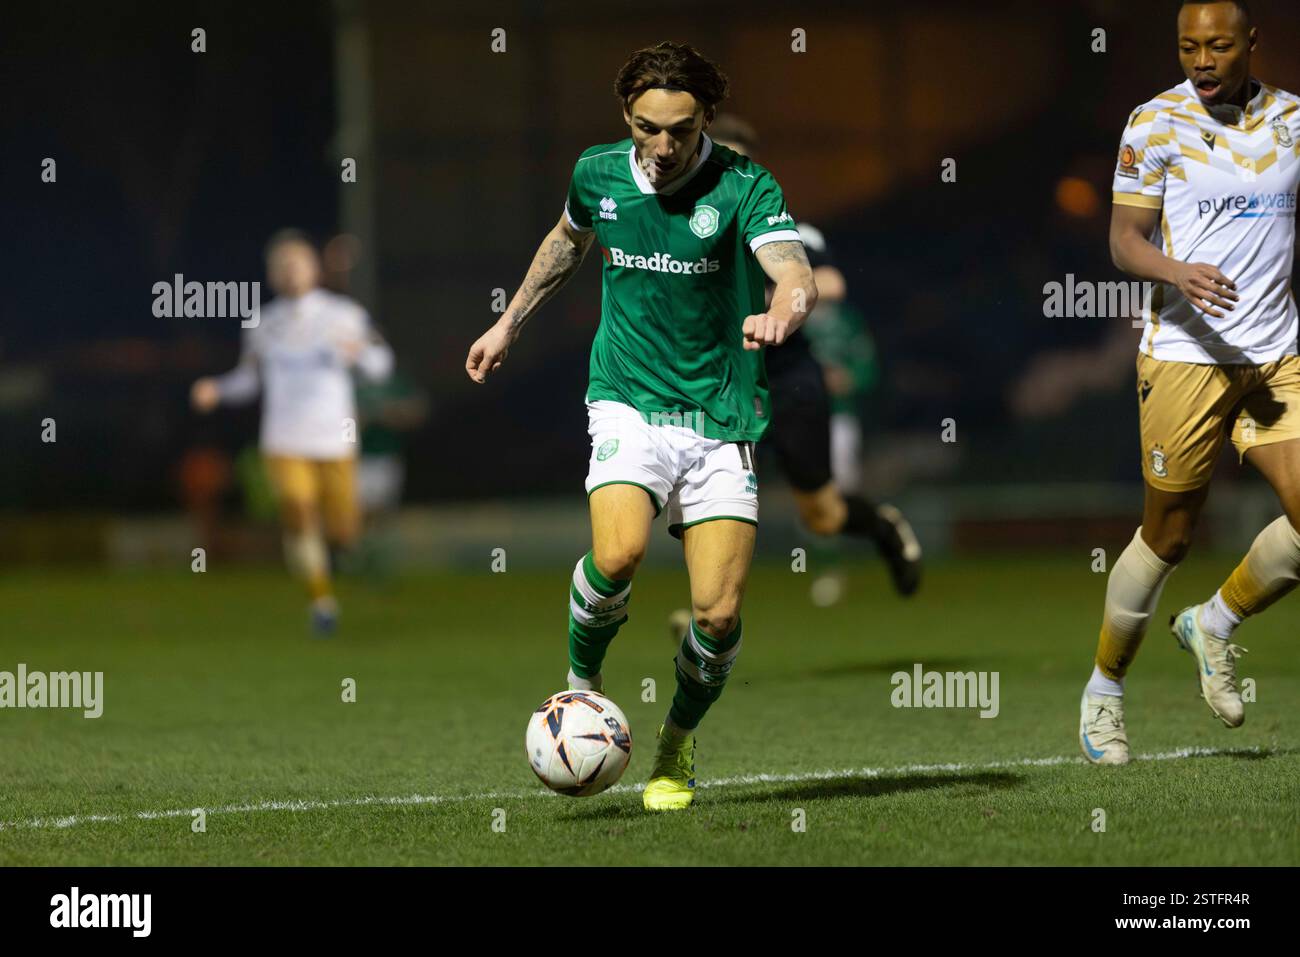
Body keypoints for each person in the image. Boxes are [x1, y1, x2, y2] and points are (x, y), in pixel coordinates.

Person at [465, 41, 817, 810]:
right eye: (648, 128)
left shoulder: (743, 183)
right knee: (618, 553)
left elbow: (794, 268)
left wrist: (782, 309)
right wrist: (509, 324)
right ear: (627, 116)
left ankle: (676, 742)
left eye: (681, 131)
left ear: (706, 121)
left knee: (718, 615)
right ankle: (581, 689)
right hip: (627, 395)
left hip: (721, 413)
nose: (663, 147)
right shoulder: (597, 171)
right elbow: (567, 238)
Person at [1080, 0, 1300, 765]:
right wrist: (1178, 272)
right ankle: (1105, 690)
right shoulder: (1154, 122)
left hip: (1278, 354)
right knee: (1169, 534)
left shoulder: (1293, 120)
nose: (1201, 60)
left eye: (1217, 46)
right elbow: (1123, 241)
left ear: (1250, 43)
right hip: (1185, 353)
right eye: (1187, 47)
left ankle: (1216, 622)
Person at [707, 114, 921, 602]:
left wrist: (765, 295)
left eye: (738, 164)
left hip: (786, 378)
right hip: (718, 381)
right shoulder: (690, 230)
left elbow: (832, 282)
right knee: (706, 497)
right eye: (717, 163)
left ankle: (883, 528)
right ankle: (709, 616)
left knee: (822, 516)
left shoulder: (780, 226)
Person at [191, 229, 393, 635]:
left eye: (296, 263)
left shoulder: (343, 314)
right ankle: (321, 602)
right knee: (299, 511)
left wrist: (362, 355)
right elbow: (249, 381)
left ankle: (350, 552)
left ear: (313, 268)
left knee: (342, 531)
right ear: (271, 274)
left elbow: (381, 364)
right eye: (281, 266)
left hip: (334, 437)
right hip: (284, 439)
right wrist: (216, 388)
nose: (290, 272)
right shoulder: (264, 324)